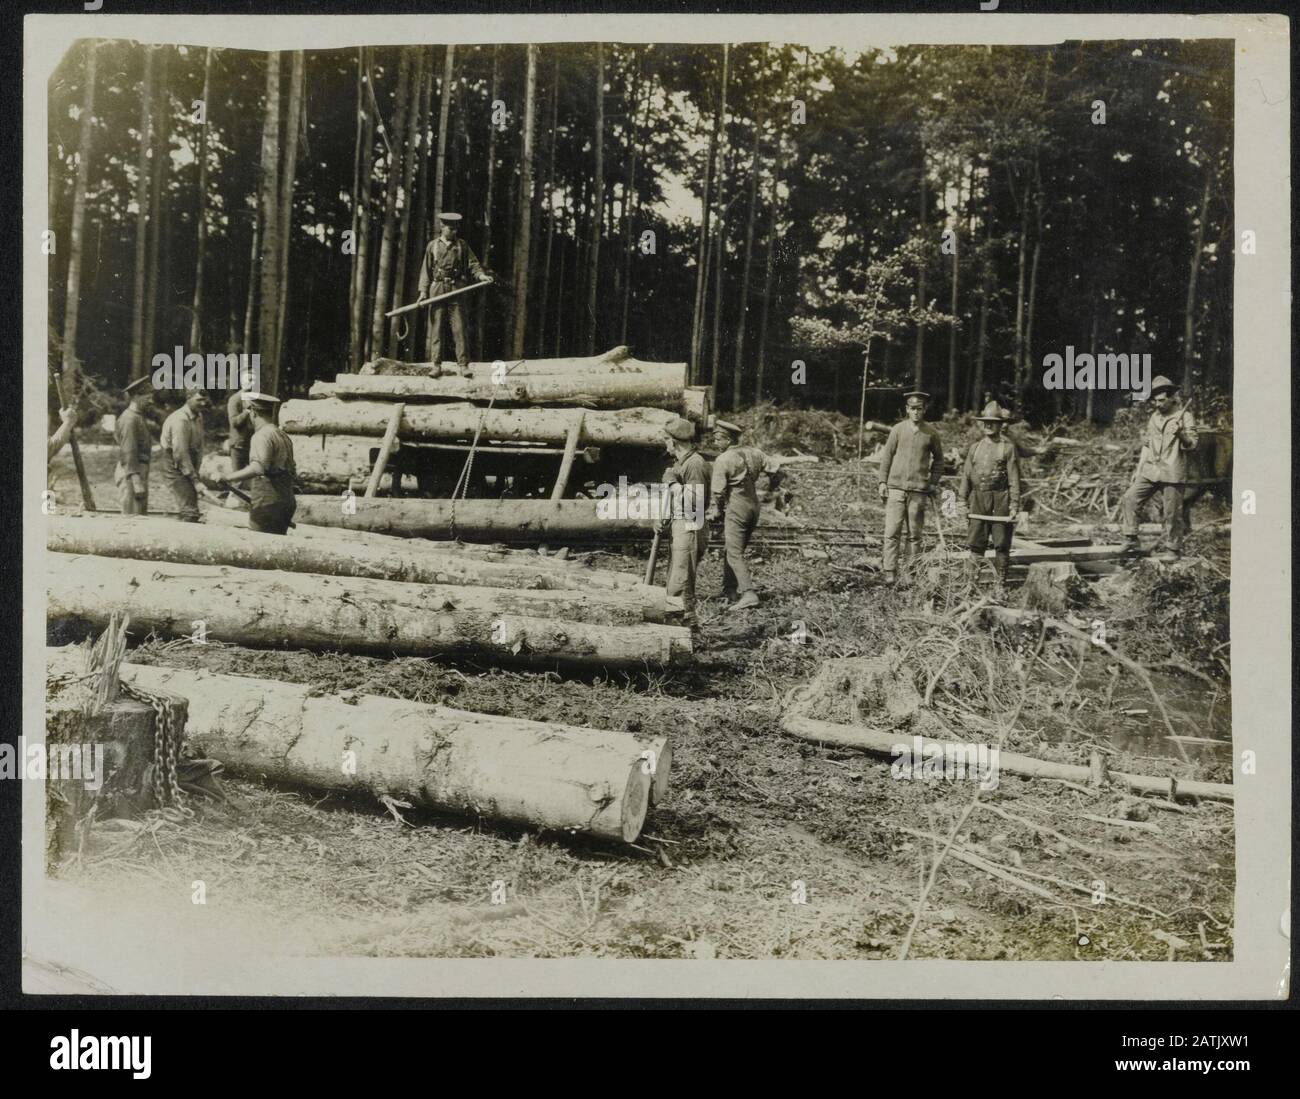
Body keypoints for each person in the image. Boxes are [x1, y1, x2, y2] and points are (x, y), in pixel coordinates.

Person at [1119, 375, 1199, 559]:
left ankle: (1173, 549)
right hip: (1151, 470)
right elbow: (1147, 446)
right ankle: (1131, 538)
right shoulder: (1154, 418)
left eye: (1161, 400)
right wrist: (1138, 470)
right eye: (1154, 400)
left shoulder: (1185, 417)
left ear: (1171, 398)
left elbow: (1193, 445)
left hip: (1172, 471)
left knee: (1172, 513)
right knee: (1130, 498)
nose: (1157, 404)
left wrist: (1181, 434)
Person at [876, 390, 945, 585]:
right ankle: (890, 570)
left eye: (920, 409)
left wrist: (932, 482)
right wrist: (882, 482)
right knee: (892, 531)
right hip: (896, 488)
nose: (916, 412)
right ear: (907, 410)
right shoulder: (898, 430)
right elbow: (887, 457)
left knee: (914, 534)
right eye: (912, 409)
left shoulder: (931, 433)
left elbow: (939, 461)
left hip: (918, 491)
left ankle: (909, 572)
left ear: (924, 410)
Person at [417, 211, 492, 372]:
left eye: (456, 229)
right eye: (450, 229)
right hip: (437, 289)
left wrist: (481, 276)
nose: (454, 232)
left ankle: (463, 365)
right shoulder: (433, 246)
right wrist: (423, 292)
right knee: (436, 328)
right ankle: (436, 365)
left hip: (456, 289)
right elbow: (426, 270)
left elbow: (473, 264)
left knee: (459, 328)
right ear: (442, 227)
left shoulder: (462, 245)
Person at [958, 401, 1022, 591]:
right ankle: (971, 585)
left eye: (993, 422)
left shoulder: (1007, 448)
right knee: (976, 545)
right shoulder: (975, 448)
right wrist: (962, 501)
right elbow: (966, 476)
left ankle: (1000, 586)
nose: (988, 425)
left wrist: (1014, 505)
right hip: (978, 499)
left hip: (1001, 500)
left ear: (1001, 424)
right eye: (985, 421)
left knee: (1001, 545)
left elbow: (1014, 479)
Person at [707, 419, 767, 611]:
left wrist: (717, 509)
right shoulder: (755, 452)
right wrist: (774, 488)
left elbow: (718, 491)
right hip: (754, 506)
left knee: (734, 552)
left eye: (717, 439)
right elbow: (775, 469)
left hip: (737, 506)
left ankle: (749, 593)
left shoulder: (723, 459)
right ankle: (729, 589)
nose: (715, 443)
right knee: (733, 548)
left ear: (727, 439)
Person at [660, 416, 711, 629]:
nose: (665, 444)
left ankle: (684, 630)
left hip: (690, 525)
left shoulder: (695, 464)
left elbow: (695, 503)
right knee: (676, 579)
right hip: (682, 525)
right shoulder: (682, 463)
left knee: (681, 583)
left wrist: (672, 484)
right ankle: (680, 627)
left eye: (666, 440)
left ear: (674, 441)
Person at [222, 393, 297, 535]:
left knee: (260, 546)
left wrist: (228, 478)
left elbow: (258, 468)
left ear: (253, 412)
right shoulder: (282, 435)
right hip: (286, 500)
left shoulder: (261, 436)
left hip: (267, 502)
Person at [159, 387, 220, 521]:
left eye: (205, 400)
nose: (203, 403)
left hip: (189, 464)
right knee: (190, 511)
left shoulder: (198, 415)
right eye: (199, 400)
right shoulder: (180, 420)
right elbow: (180, 454)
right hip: (175, 465)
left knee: (191, 503)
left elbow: (198, 446)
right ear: (188, 399)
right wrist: (195, 481)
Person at [113, 376, 154, 515]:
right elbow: (128, 450)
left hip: (137, 471)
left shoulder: (137, 416)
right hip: (131, 474)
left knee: (139, 516)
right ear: (136, 397)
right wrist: (136, 480)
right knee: (132, 520)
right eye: (148, 397)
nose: (151, 401)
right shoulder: (129, 419)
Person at [225, 364, 258, 474]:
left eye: (254, 379)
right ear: (241, 380)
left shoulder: (255, 398)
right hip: (238, 445)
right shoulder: (235, 399)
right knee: (237, 478)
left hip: (252, 444)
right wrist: (247, 412)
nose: (252, 382)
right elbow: (234, 422)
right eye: (249, 379)